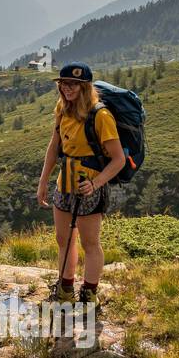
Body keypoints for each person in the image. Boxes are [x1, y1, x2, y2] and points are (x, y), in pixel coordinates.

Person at [36, 62, 127, 305]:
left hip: (89, 186)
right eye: (64, 83)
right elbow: (54, 148)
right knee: (62, 238)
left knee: (90, 242)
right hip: (64, 182)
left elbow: (118, 160)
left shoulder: (101, 116)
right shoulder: (62, 110)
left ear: (84, 87)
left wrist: (95, 184)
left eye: (73, 84)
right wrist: (44, 180)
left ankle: (89, 294)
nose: (67, 88)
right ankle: (65, 290)